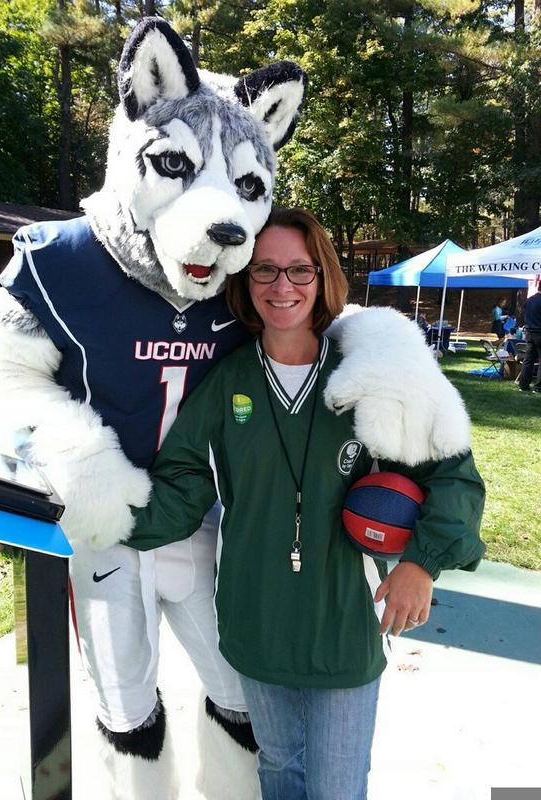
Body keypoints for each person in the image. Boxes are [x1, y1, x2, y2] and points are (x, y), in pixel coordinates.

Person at [125, 208, 486, 800]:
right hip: (256, 619)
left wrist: (423, 563)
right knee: (279, 771)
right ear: (245, 280)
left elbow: (453, 470)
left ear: (323, 278)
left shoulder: (373, 373)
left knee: (337, 786)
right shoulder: (229, 380)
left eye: (299, 269)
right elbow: (181, 482)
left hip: (344, 621)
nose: (282, 286)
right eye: (265, 270)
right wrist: (102, 516)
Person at [517, 283, 541, 393]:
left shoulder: (529, 300)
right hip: (539, 332)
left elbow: (523, 314)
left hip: (529, 332)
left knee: (528, 359)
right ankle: (538, 387)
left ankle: (523, 385)